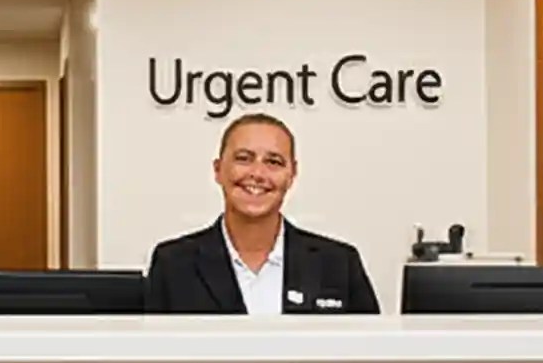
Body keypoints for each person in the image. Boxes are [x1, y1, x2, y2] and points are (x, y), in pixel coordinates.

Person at [145, 112, 380, 315]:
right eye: (243, 159)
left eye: (274, 162)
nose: (257, 173)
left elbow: (372, 350)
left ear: (292, 175)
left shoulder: (339, 264)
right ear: (218, 170)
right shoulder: (173, 265)